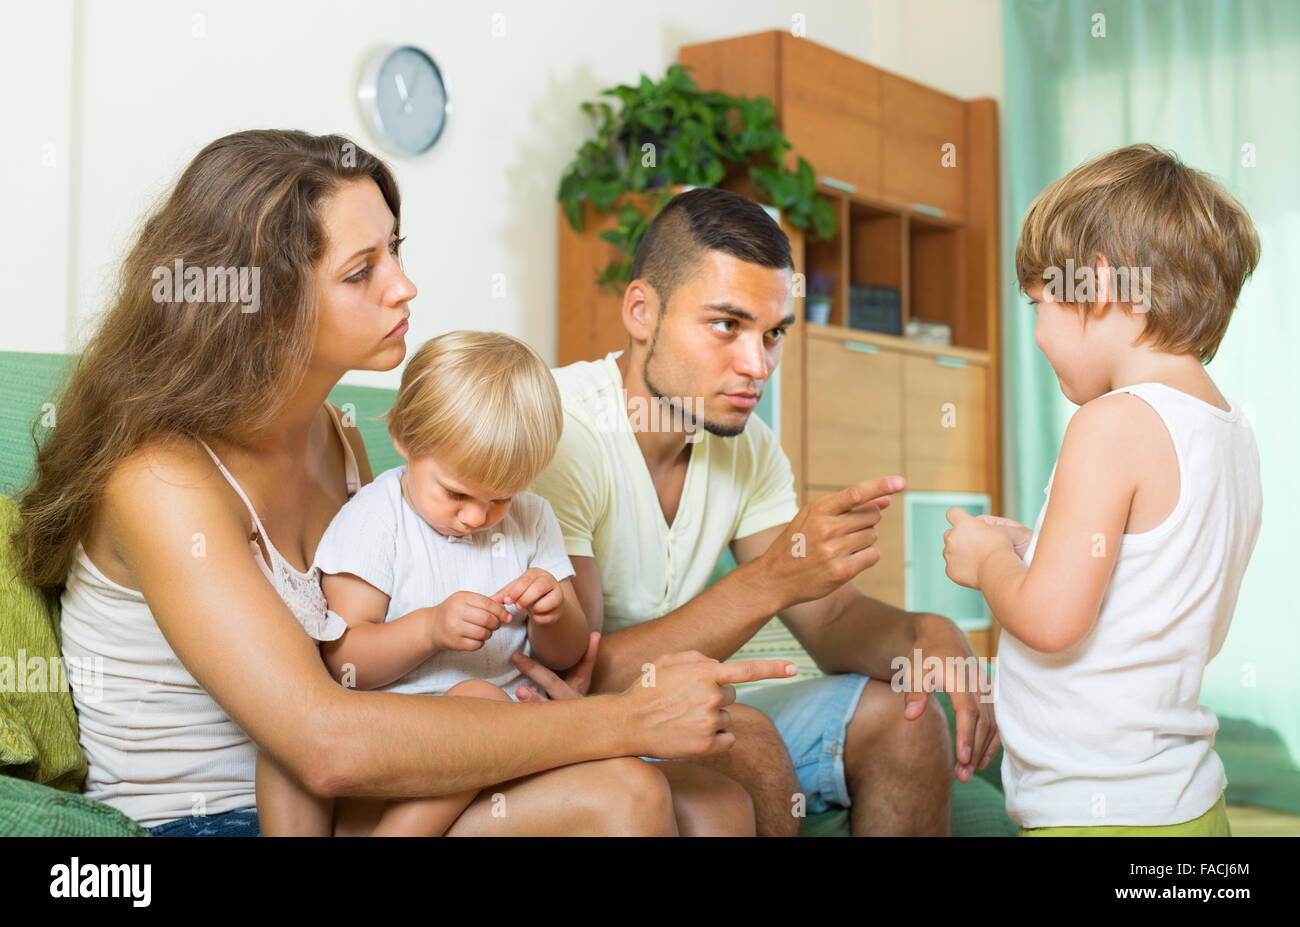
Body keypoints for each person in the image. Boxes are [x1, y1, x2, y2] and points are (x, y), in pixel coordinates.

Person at [14, 129, 795, 837]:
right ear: (264, 304)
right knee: (623, 796)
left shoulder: (338, 433)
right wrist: (627, 720)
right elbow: (322, 740)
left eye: (395, 250)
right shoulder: (162, 481)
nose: (404, 287)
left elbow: (387, 642)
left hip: (350, 794)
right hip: (216, 819)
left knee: (716, 801)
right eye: (362, 271)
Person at [524, 186, 999, 837]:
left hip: (674, 705)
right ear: (641, 310)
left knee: (909, 717)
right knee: (741, 735)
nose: (758, 365)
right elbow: (578, 673)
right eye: (727, 325)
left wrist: (925, 636)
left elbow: (831, 618)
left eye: (773, 334)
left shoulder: (749, 445)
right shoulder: (559, 425)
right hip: (568, 724)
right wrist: (773, 577)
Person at [258, 330, 757, 836]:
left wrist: (554, 613)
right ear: (406, 440)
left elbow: (563, 658)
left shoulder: (533, 519)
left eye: (501, 498)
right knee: (479, 698)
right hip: (406, 758)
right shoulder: (375, 520)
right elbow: (343, 666)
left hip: (514, 747)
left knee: (721, 803)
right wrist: (428, 629)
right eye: (456, 493)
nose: (477, 517)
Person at [942, 143, 1263, 836]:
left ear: (1096, 283)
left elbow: (1053, 621)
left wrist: (987, 562)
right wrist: (1041, 548)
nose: (1035, 334)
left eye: (1038, 304)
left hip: (1099, 811)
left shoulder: (1110, 423)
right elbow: (1159, 597)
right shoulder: (1229, 433)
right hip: (1188, 804)